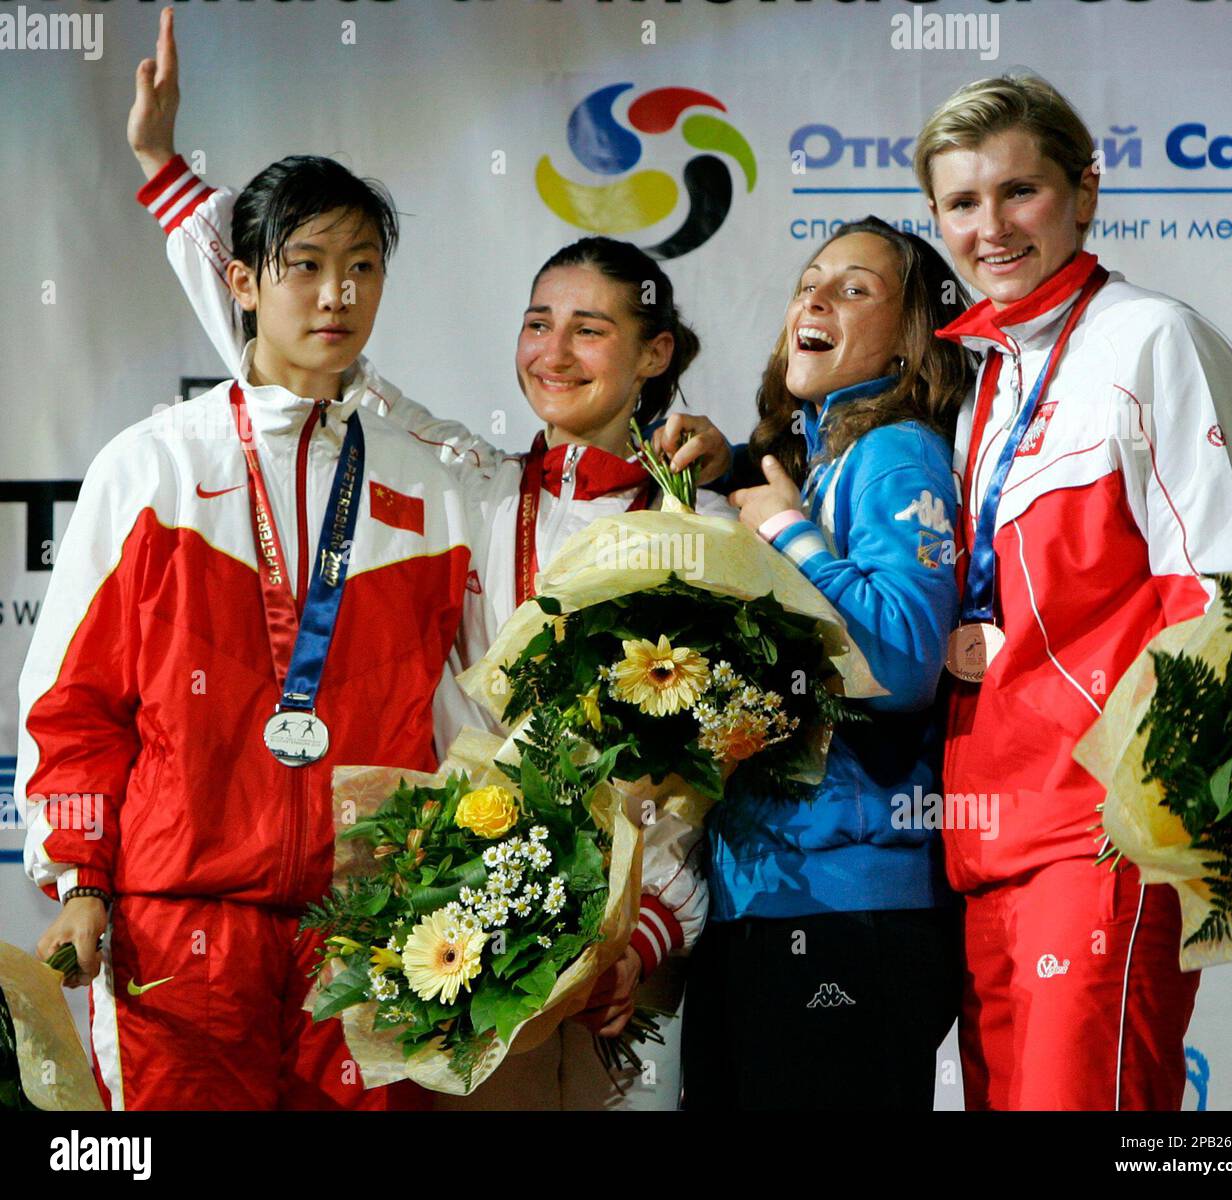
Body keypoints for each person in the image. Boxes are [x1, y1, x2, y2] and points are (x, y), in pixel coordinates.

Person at [124, 8, 733, 1109]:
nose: (554, 352)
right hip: (453, 924)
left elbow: (691, 787)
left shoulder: (703, 538)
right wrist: (167, 174)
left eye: (591, 330)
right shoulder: (474, 484)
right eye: (538, 321)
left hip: (617, 950)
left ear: (657, 355)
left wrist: (638, 937)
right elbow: (287, 344)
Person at [19, 152, 477, 1111]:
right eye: (304, 264)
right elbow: (75, 703)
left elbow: (471, 712)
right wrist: (82, 881)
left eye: (362, 266)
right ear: (243, 281)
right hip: (177, 930)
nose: (337, 294)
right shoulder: (151, 467)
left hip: (371, 936)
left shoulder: (434, 483)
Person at [913, 73, 1232, 1110]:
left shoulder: (1150, 336)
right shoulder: (987, 376)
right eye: (963, 204)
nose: (992, 227)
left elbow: (1226, 597)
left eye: (1019, 192)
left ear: (1085, 193)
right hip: (989, 838)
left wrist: (1161, 809)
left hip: (1101, 830)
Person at [682, 218, 974, 1110]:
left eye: (854, 289)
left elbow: (900, 659)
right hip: (770, 897)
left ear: (912, 336)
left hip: (848, 908)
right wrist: (738, 473)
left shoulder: (897, 452)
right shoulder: (821, 457)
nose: (814, 299)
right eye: (809, 282)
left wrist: (782, 527)